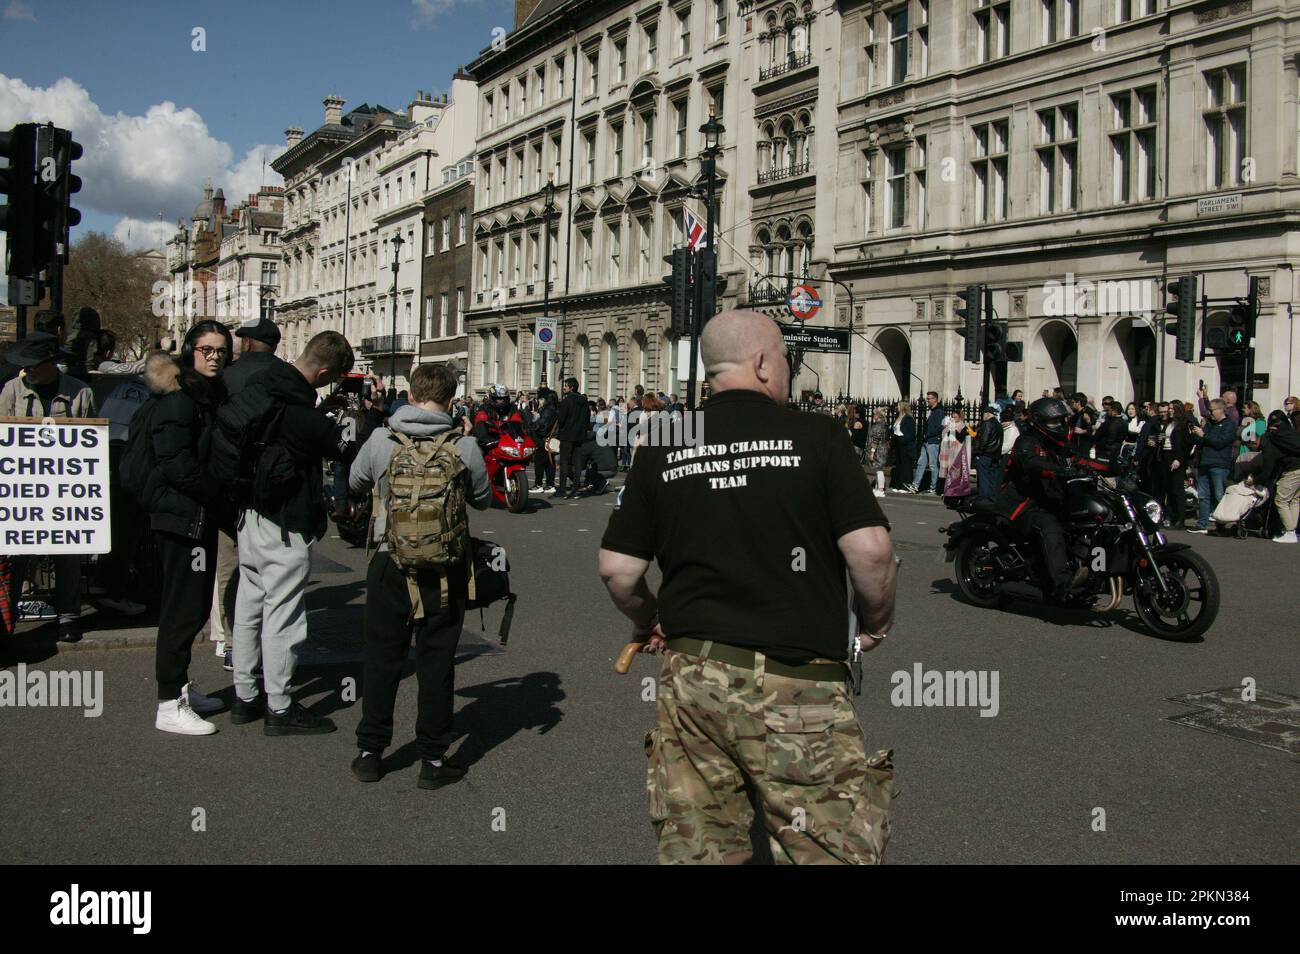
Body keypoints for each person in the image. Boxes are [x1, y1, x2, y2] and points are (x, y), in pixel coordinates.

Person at [598, 309, 897, 865]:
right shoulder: (817, 434)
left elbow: (619, 569)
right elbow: (872, 551)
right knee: (825, 845)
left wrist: (648, 619)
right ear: (762, 363)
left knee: (702, 848)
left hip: (695, 674)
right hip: (799, 679)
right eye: (787, 361)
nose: (790, 374)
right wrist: (876, 623)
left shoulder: (668, 437)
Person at [347, 363, 492, 786]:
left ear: (410, 396)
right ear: (451, 400)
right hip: (445, 569)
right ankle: (432, 759)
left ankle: (371, 751)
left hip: (390, 561)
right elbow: (482, 499)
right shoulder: (463, 446)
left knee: (382, 658)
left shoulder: (381, 439)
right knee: (436, 660)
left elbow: (356, 482)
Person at [229, 331, 355, 735]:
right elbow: (344, 449)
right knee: (283, 616)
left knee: (249, 607)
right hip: (285, 523)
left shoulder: (263, 387)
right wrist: (347, 418)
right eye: (331, 377)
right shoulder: (303, 415)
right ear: (322, 371)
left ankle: (245, 696)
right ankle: (280, 707)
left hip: (248, 513)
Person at [142, 324, 234, 734]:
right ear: (189, 351)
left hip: (195, 514)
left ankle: (178, 686)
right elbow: (177, 464)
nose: (215, 356)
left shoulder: (201, 395)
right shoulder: (179, 400)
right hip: (183, 516)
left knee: (193, 607)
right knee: (182, 610)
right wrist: (216, 494)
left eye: (221, 350)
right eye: (206, 349)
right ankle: (168, 703)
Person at [0, 331, 97, 643]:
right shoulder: (12, 390)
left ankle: (69, 616)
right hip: (23, 489)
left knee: (67, 554)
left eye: (33, 365)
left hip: (65, 490)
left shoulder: (80, 393)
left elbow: (91, 443)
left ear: (51, 363)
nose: (27, 371)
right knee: (16, 554)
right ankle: (7, 617)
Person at [1001, 398, 1114, 601]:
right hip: (1026, 503)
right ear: (1039, 421)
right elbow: (1031, 463)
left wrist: (1112, 467)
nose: (1060, 426)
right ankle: (1063, 586)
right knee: (1050, 527)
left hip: (1052, 500)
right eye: (1054, 422)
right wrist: (1059, 470)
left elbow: (1081, 459)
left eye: (1062, 421)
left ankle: (1094, 573)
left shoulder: (1059, 444)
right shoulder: (1026, 441)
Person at [1188, 399, 1235, 533]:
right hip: (1204, 463)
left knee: (1219, 495)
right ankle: (1202, 523)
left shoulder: (1229, 425)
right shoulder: (1210, 424)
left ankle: (1221, 525)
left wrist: (1204, 435)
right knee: (1203, 495)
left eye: (1212, 410)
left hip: (1219, 464)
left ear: (1221, 409)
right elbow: (1200, 441)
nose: (1210, 413)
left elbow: (1220, 443)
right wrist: (1195, 434)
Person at [1158, 401, 1193, 530]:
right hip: (1166, 456)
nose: (1169, 411)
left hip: (1176, 457)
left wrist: (1179, 459)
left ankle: (1180, 519)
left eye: (1172, 408)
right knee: (1169, 488)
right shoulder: (1169, 423)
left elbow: (1186, 445)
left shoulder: (1183, 425)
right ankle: (1170, 516)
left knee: (1178, 489)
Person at [903, 391, 944, 494]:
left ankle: (934, 487)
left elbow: (940, 427)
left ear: (935, 399)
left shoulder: (939, 411)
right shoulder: (932, 411)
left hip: (933, 441)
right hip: (927, 441)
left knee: (933, 465)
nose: (928, 400)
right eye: (927, 398)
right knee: (921, 463)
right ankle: (915, 485)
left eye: (929, 398)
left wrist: (928, 434)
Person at [555, 377, 588, 498]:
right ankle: (575, 489)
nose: (564, 387)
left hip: (567, 435)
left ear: (571, 387)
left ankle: (562, 490)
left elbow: (561, 419)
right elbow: (587, 419)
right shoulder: (584, 401)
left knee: (564, 462)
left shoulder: (566, 401)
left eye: (566, 386)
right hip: (579, 435)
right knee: (577, 463)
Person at [531, 387, 559, 494]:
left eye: (541, 399)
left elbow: (542, 426)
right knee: (549, 463)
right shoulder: (555, 409)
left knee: (539, 462)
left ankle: (538, 484)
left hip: (544, 439)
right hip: (551, 439)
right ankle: (550, 484)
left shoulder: (548, 411)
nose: (539, 401)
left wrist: (532, 426)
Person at [974, 405, 1004, 500]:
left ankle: (984, 496)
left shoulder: (987, 424)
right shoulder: (998, 425)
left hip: (985, 454)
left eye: (984, 414)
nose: (983, 416)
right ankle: (993, 496)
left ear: (988, 414)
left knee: (984, 477)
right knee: (993, 477)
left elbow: (984, 440)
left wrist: (978, 452)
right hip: (995, 455)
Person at [864, 407, 891, 496]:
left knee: (879, 470)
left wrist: (872, 452)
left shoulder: (878, 426)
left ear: (877, 415)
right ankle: (877, 488)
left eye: (874, 414)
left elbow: (875, 440)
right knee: (878, 469)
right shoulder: (884, 425)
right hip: (883, 449)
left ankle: (880, 489)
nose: (873, 416)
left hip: (879, 450)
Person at [891, 400, 916, 493]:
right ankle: (898, 484)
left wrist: (901, 439)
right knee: (899, 464)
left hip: (905, 445)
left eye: (898, 406)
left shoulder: (908, 418)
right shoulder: (898, 418)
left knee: (906, 465)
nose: (897, 407)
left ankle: (905, 485)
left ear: (902, 406)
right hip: (898, 444)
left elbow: (910, 434)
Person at [1094, 400, 1130, 465]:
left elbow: (1099, 435)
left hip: (1106, 452)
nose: (1107, 412)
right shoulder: (1125, 423)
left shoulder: (1109, 423)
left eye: (1109, 410)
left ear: (1114, 412)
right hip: (1117, 451)